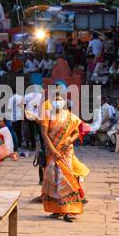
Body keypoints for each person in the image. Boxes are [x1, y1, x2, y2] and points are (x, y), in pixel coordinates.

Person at [40, 93, 88, 221]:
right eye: (55, 99)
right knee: (53, 179)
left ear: (64, 102)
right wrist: (54, 151)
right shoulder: (47, 115)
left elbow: (77, 133)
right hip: (52, 152)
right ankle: (57, 209)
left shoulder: (71, 117)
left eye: (59, 99)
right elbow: (44, 135)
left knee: (66, 178)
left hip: (66, 152)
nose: (57, 101)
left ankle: (69, 210)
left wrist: (69, 141)